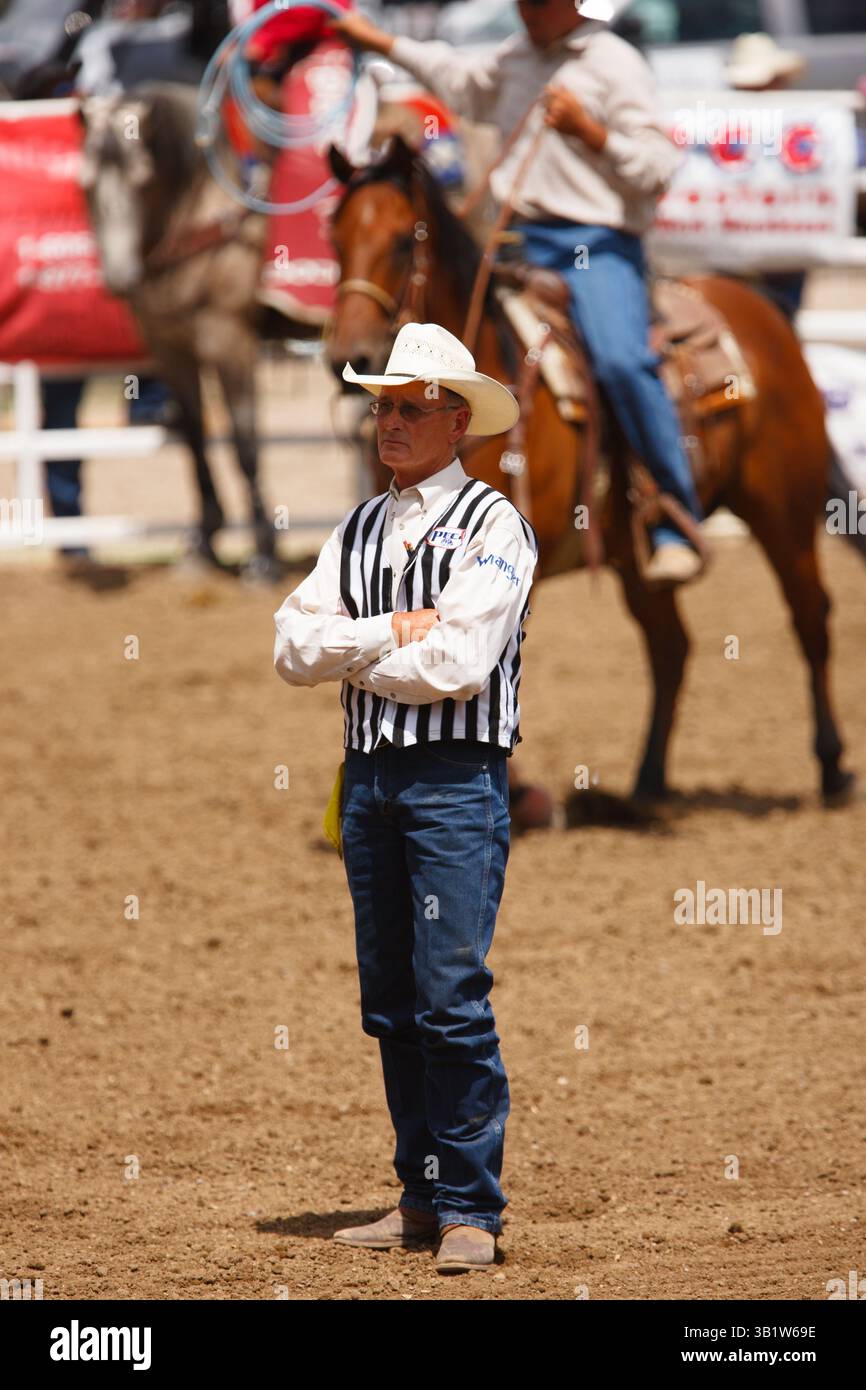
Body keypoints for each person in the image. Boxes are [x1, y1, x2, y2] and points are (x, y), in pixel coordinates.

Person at [273, 321, 537, 1273]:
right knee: (392, 999)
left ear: (456, 421)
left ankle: (472, 1206)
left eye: (408, 407)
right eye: (382, 405)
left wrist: (355, 647)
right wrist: (393, 631)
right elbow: (288, 646)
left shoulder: (494, 524)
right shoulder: (356, 527)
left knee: (451, 996)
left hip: (453, 785)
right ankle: (425, 1195)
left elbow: (460, 664)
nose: (387, 422)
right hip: (373, 781)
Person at [334, 0, 706, 587]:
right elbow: (455, 76)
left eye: (538, 3)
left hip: (597, 245)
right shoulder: (515, 58)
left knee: (621, 360)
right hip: (518, 241)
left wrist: (592, 133)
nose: (527, 12)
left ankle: (674, 519)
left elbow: (659, 166)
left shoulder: (614, 63)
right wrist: (377, 41)